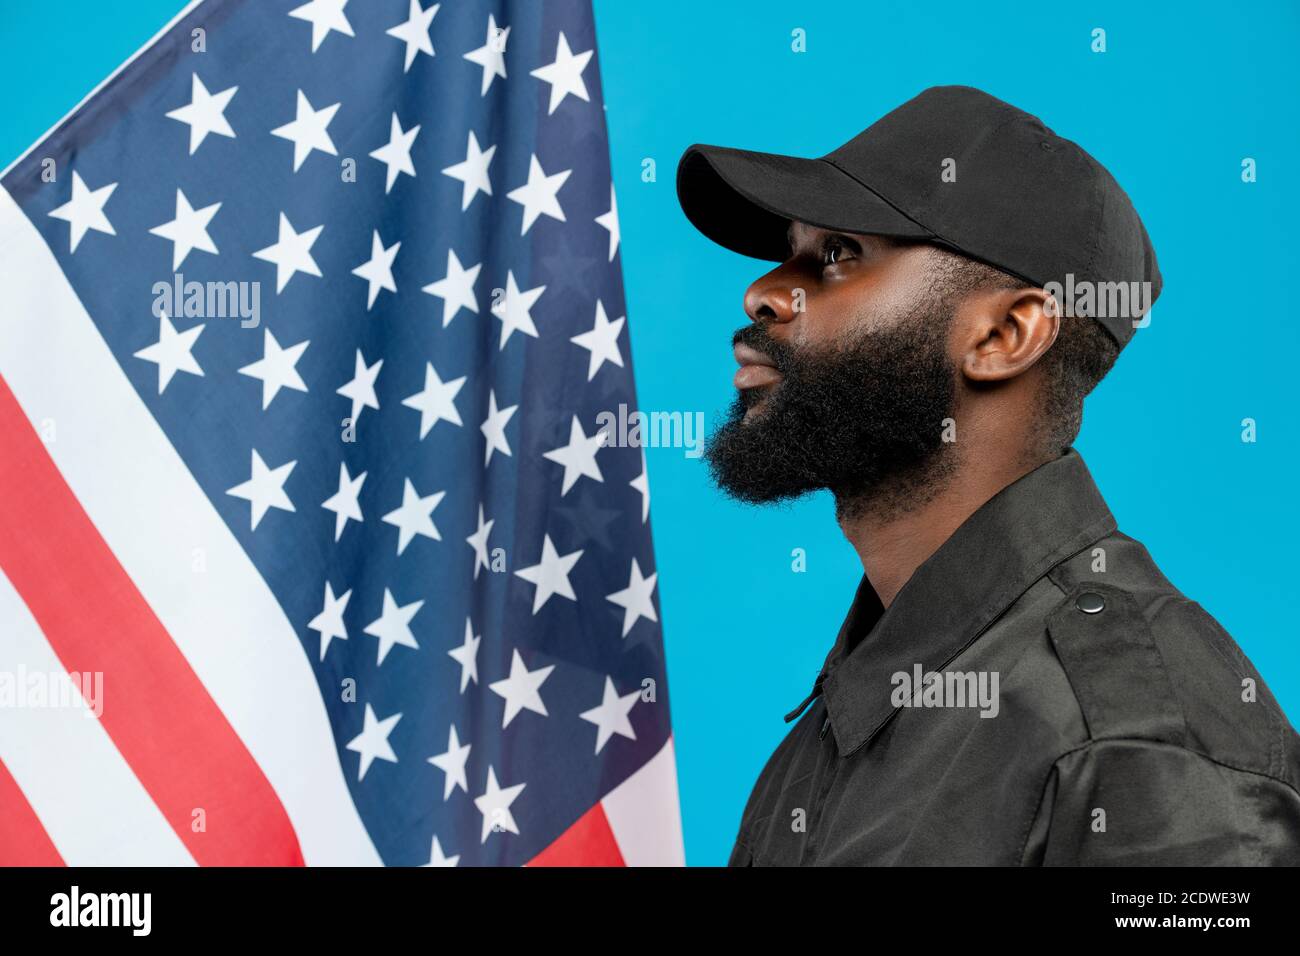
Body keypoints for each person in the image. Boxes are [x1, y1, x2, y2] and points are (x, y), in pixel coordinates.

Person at [675, 85, 1300, 865]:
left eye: (837, 255)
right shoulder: (844, 717)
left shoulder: (1132, 740)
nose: (762, 292)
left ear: (1006, 334)